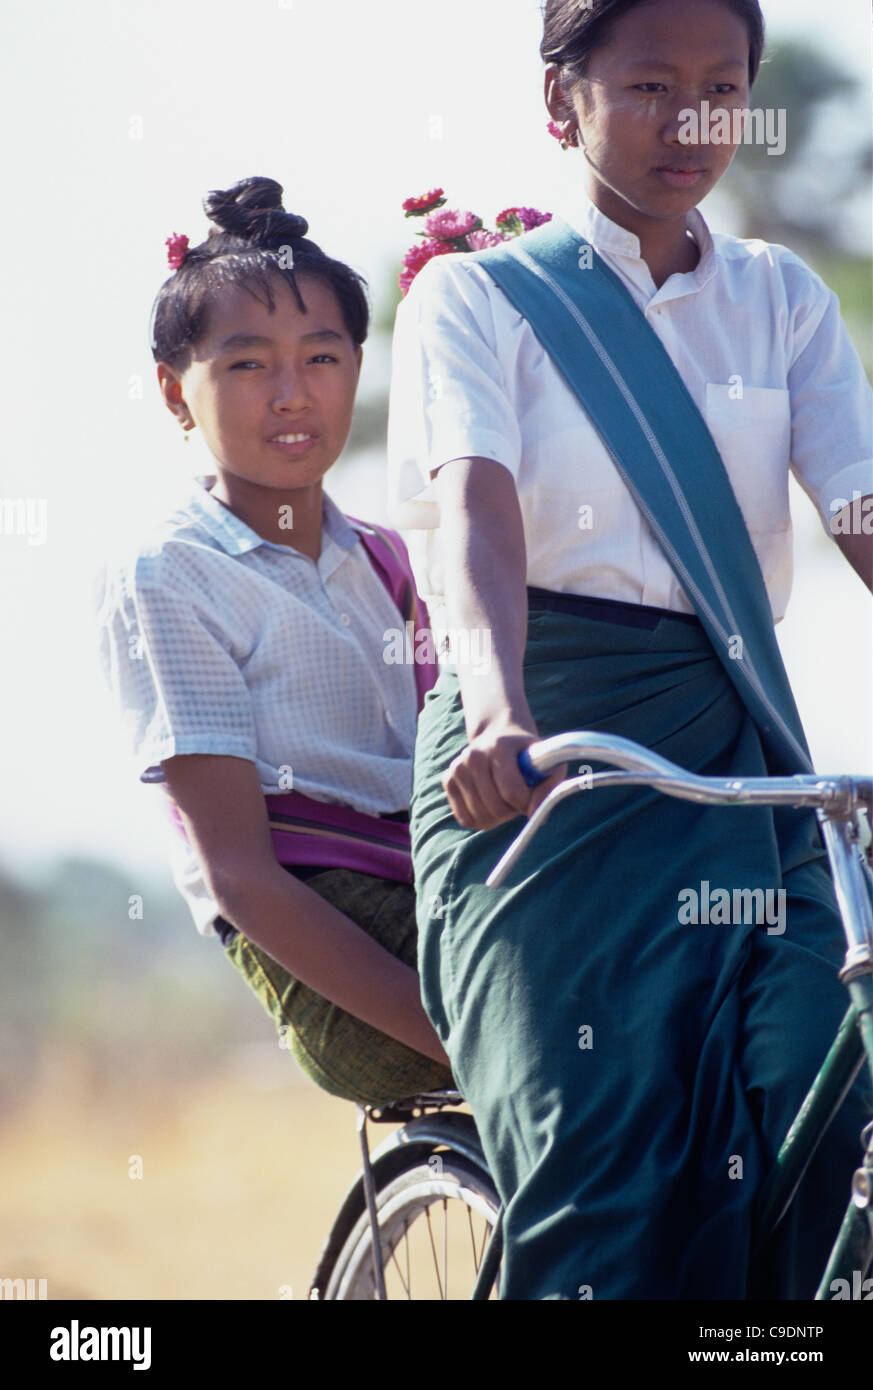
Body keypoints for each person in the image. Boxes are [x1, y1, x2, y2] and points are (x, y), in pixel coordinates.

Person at [387, 0, 873, 1298]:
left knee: (838, 1098)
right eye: (651, 84)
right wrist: (493, 708)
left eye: (722, 87)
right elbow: (475, 516)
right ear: (562, 102)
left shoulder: (780, 300)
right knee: (603, 1189)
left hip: (736, 764)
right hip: (546, 766)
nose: (692, 120)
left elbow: (862, 510)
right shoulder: (479, 298)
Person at [95, 175, 453, 1107]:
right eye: (249, 365)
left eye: (323, 359)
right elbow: (243, 878)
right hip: (331, 934)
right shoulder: (171, 574)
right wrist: (456, 1040)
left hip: (441, 887)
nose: (293, 395)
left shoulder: (385, 557)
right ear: (177, 393)